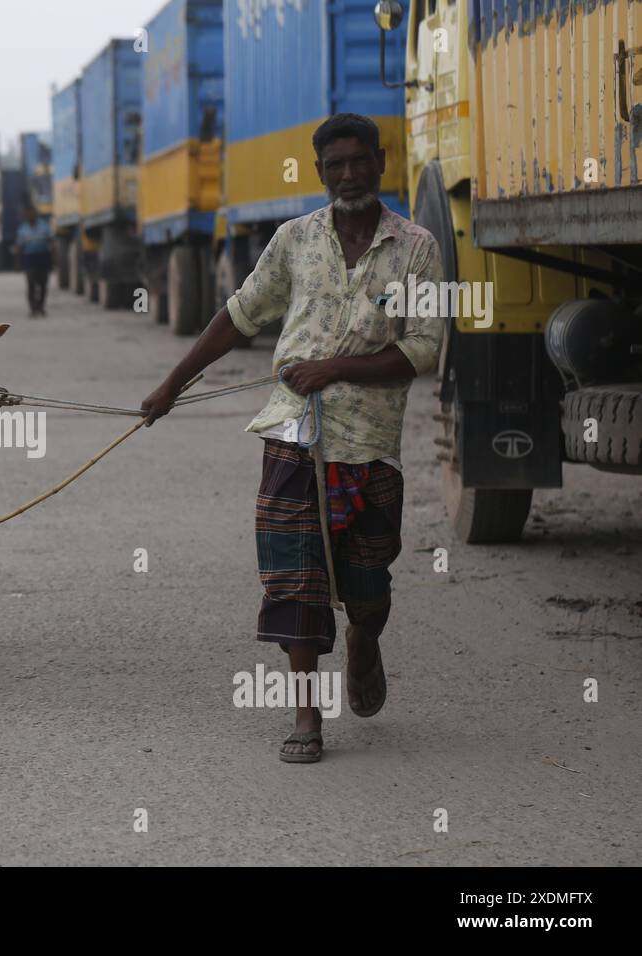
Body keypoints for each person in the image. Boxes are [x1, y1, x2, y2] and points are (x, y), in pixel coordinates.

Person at [140, 113, 445, 764]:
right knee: (293, 581)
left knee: (367, 583)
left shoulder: (416, 246)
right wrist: (173, 386)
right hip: (292, 432)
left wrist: (336, 368)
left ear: (381, 163)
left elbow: (422, 349)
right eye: (335, 165)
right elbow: (238, 315)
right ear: (320, 173)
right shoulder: (294, 240)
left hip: (370, 443)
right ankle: (307, 715)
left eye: (360, 161)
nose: (349, 174)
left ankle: (364, 640)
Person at [14, 206, 53, 317]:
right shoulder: (22, 229)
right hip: (29, 258)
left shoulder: (44, 226)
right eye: (28, 214)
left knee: (43, 284)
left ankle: (41, 307)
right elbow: (19, 246)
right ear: (26, 216)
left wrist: (55, 260)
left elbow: (51, 242)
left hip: (43, 257)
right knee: (31, 283)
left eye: (33, 213)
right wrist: (17, 263)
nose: (31, 215)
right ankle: (33, 308)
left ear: (36, 214)